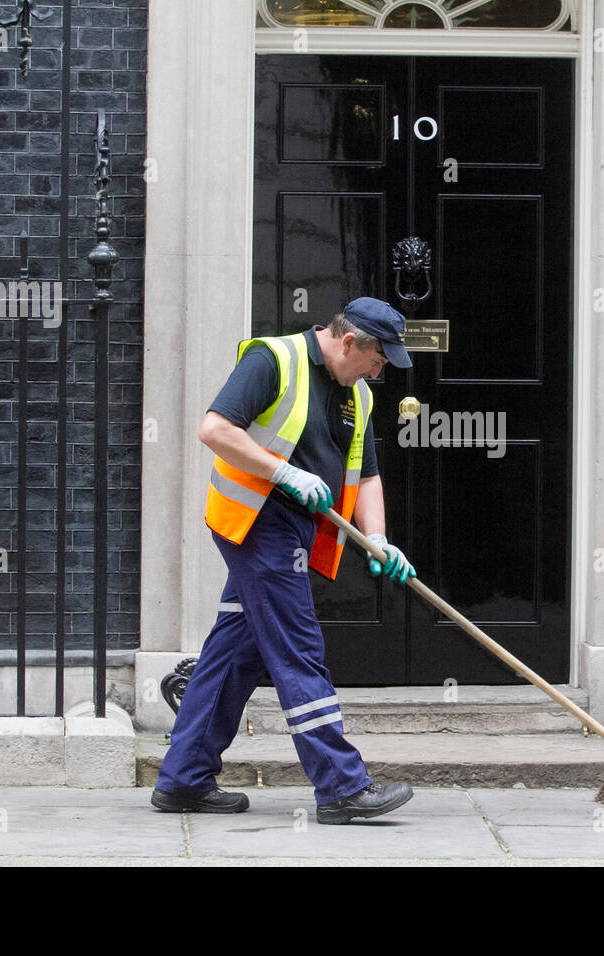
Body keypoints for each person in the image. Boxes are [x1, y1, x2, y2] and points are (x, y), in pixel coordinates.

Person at [151, 297, 417, 824]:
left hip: (293, 531)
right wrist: (285, 473)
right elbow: (214, 429)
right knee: (298, 647)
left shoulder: (356, 395)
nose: (379, 371)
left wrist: (380, 539)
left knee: (236, 651)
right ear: (349, 342)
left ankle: (184, 779)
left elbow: (366, 475)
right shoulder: (273, 360)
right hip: (255, 524)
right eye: (378, 359)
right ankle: (341, 787)